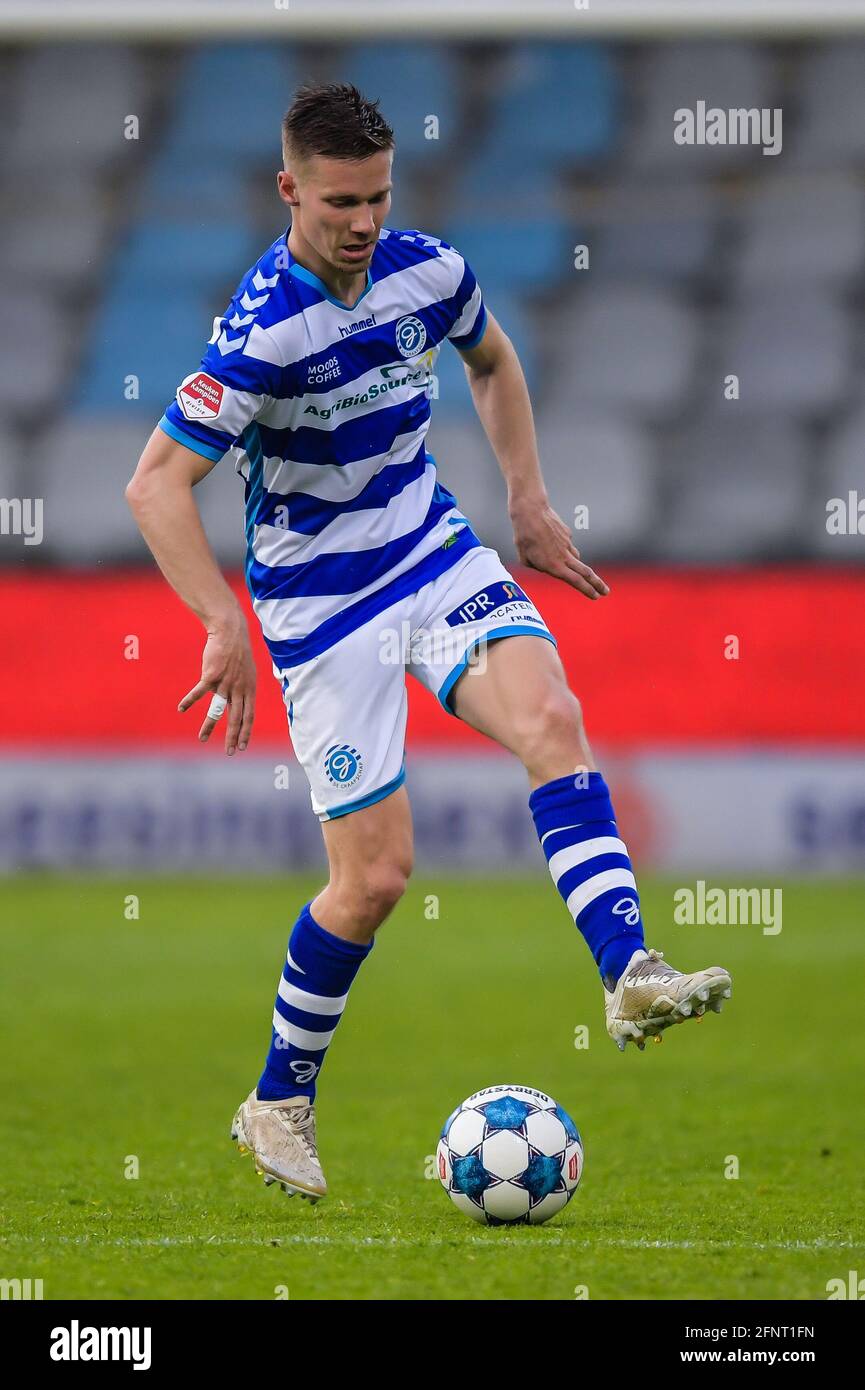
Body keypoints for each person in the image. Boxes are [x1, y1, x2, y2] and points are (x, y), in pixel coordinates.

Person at [125, 83, 731, 1203]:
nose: (363, 222)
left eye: (379, 197)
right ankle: (278, 1100)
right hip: (320, 604)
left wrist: (528, 500)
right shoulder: (259, 331)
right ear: (288, 190)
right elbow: (156, 482)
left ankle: (629, 972)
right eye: (341, 201)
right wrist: (221, 620)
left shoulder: (428, 269)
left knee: (553, 717)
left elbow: (492, 361)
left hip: (429, 549)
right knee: (375, 880)